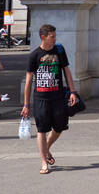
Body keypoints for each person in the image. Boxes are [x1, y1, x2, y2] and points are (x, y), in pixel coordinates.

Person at [21, 25, 79, 175]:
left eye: (54, 36)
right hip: (41, 98)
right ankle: (43, 162)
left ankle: (46, 147)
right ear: (43, 37)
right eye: (52, 36)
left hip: (58, 96)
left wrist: (73, 92)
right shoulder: (34, 55)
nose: (55, 39)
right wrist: (26, 104)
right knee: (41, 129)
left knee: (59, 127)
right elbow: (28, 81)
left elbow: (67, 71)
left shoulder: (59, 50)